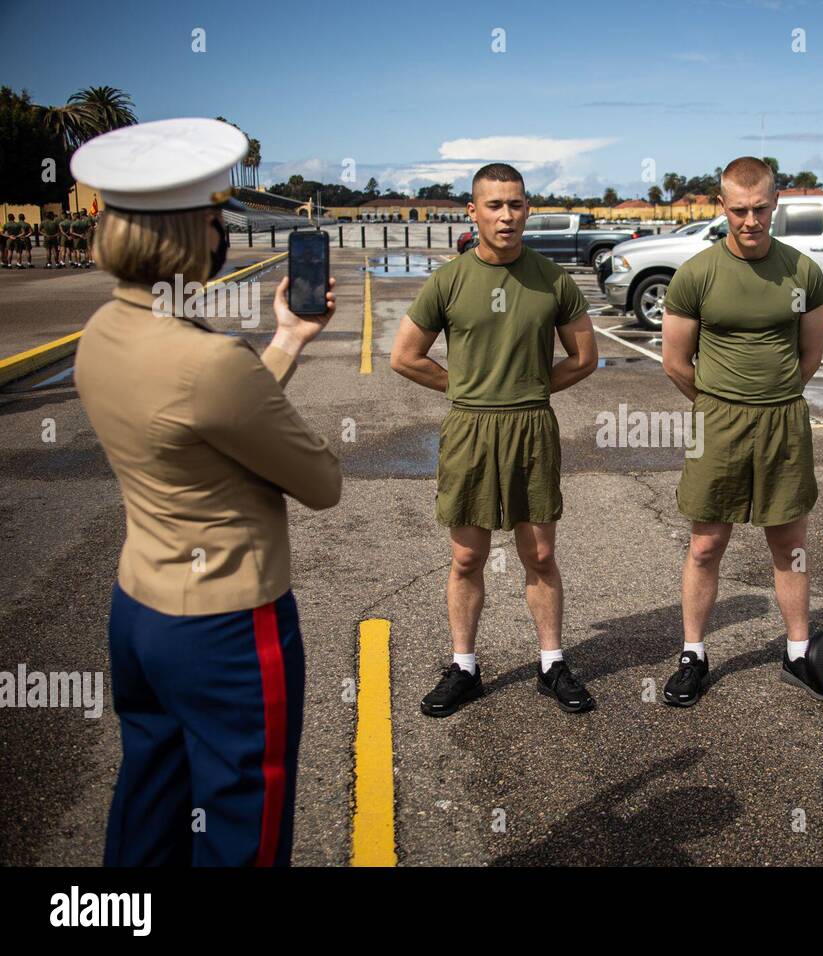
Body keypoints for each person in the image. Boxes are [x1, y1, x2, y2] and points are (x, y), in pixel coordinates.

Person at [71, 117, 343, 866]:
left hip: (141, 610)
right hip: (225, 626)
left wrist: (285, 341)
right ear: (192, 239)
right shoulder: (210, 362)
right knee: (241, 819)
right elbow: (322, 482)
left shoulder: (101, 330)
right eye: (214, 219)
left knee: (149, 799)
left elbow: (199, 424)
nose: (222, 232)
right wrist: (273, 360)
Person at [390, 162, 600, 717]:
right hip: (470, 428)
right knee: (466, 557)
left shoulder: (553, 280)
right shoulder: (448, 280)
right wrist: (461, 387)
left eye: (515, 204)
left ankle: (551, 663)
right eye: (494, 205)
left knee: (540, 553)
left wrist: (529, 388)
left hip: (532, 426)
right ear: (473, 211)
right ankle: (464, 666)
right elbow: (405, 356)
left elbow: (584, 358)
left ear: (527, 208)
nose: (506, 216)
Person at [657, 156, 823, 706]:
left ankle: (798, 653)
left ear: (775, 203)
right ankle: (693, 653)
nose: (750, 221)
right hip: (719, 422)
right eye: (739, 210)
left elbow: (810, 355)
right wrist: (718, 406)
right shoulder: (697, 274)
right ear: (721, 207)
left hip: (783, 420)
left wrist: (771, 399)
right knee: (707, 544)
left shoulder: (802, 272)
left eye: (759, 209)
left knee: (790, 543)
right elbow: (675, 361)